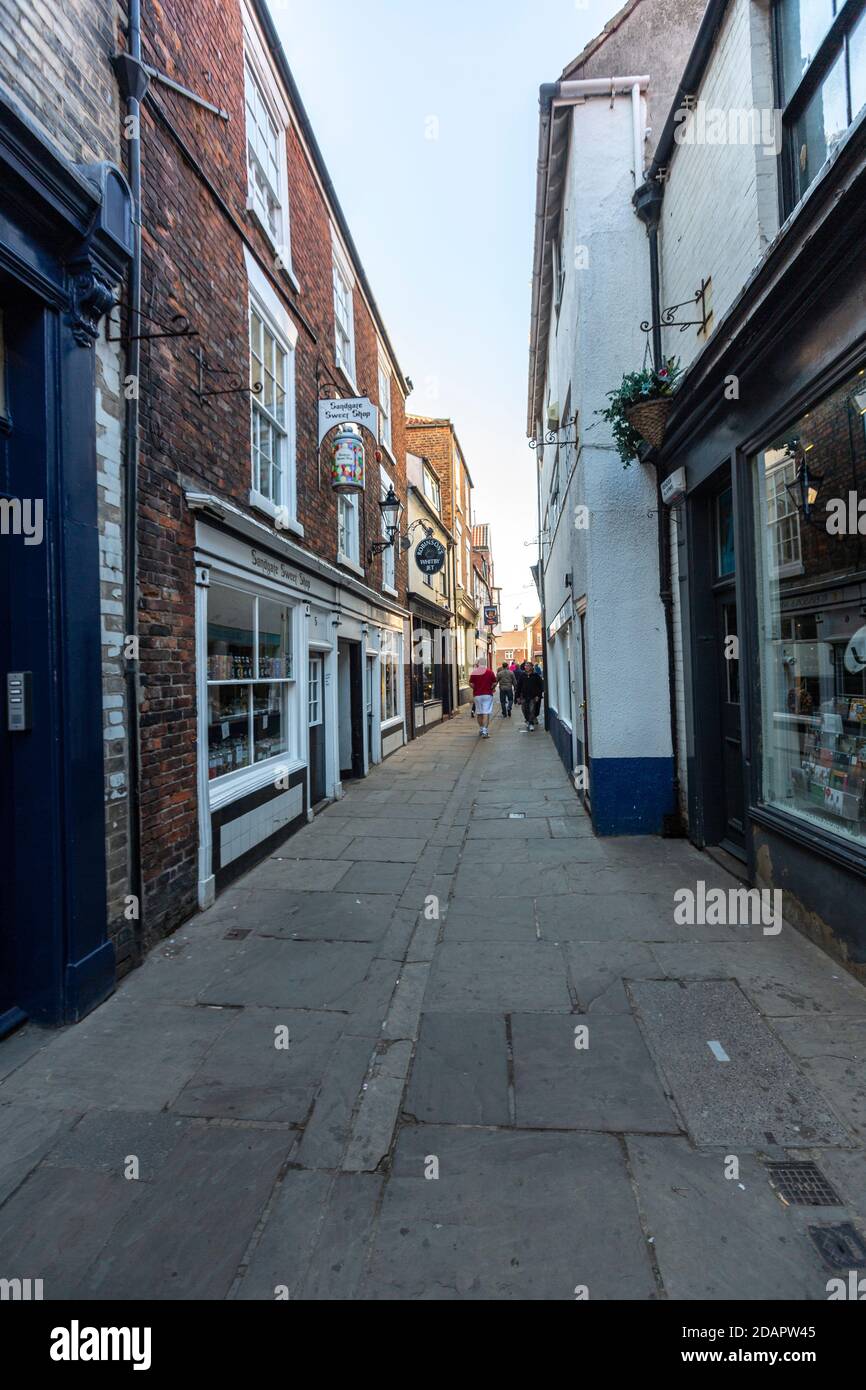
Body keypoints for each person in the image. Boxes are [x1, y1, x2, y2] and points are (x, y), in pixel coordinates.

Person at [468, 658, 497, 737]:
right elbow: (494, 682)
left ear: (478, 664)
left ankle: (481, 729)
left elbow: (470, 683)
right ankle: (485, 731)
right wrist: (491, 688)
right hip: (487, 694)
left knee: (479, 713)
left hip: (477, 695)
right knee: (486, 713)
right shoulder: (490, 672)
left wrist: (475, 688)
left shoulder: (474, 672)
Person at [516, 659, 544, 731]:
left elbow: (540, 687)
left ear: (532, 667)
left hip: (533, 696)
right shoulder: (522, 676)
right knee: (524, 709)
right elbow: (518, 686)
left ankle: (531, 723)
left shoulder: (536, 676)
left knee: (532, 709)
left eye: (528, 666)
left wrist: (538, 695)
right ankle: (528, 720)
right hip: (523, 696)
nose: (526, 667)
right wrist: (517, 697)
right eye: (526, 666)